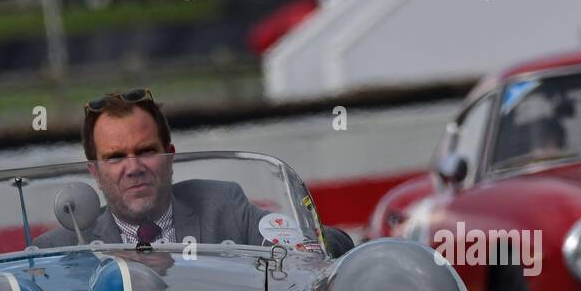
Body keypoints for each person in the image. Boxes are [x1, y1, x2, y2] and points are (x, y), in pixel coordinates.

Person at [35, 88, 354, 256]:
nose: (133, 168)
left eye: (146, 151)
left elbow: (326, 244)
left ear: (170, 156)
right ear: (95, 172)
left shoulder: (223, 205)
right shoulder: (64, 249)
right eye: (116, 158)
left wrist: (308, 245)